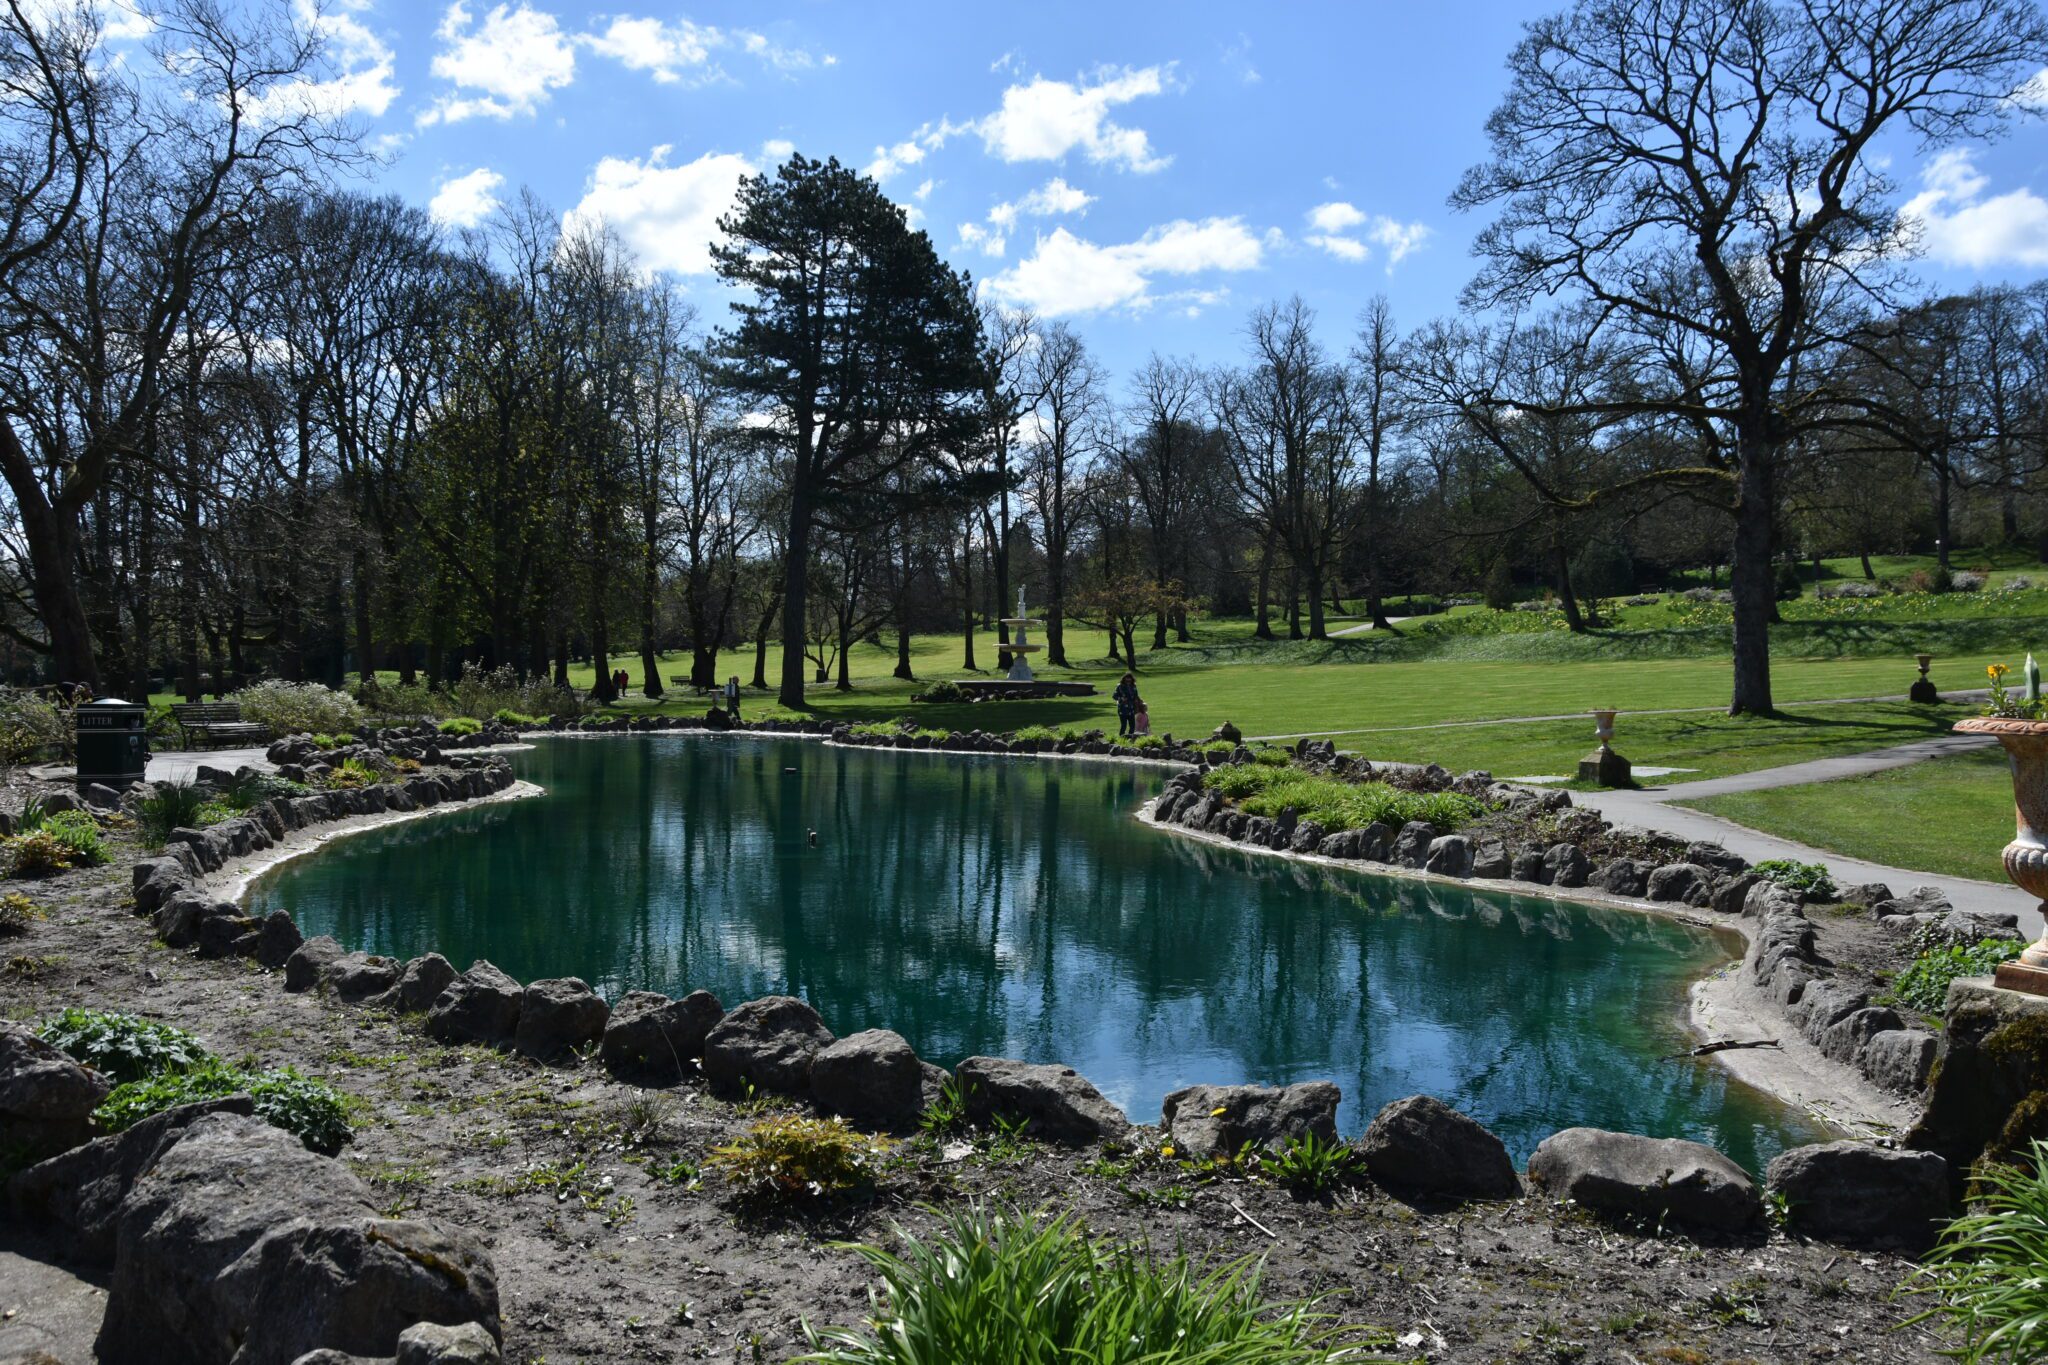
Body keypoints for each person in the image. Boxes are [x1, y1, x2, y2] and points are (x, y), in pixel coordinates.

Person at [1113, 672, 1139, 737]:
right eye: (1127, 679)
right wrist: (1121, 699)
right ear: (1124, 679)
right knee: (1124, 726)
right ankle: (1121, 739)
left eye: (1129, 679)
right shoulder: (1119, 686)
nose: (1128, 681)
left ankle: (1130, 739)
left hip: (1131, 709)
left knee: (1132, 726)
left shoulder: (1133, 686)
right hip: (1122, 709)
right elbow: (1114, 696)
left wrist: (1138, 701)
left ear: (1132, 679)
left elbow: (1136, 696)